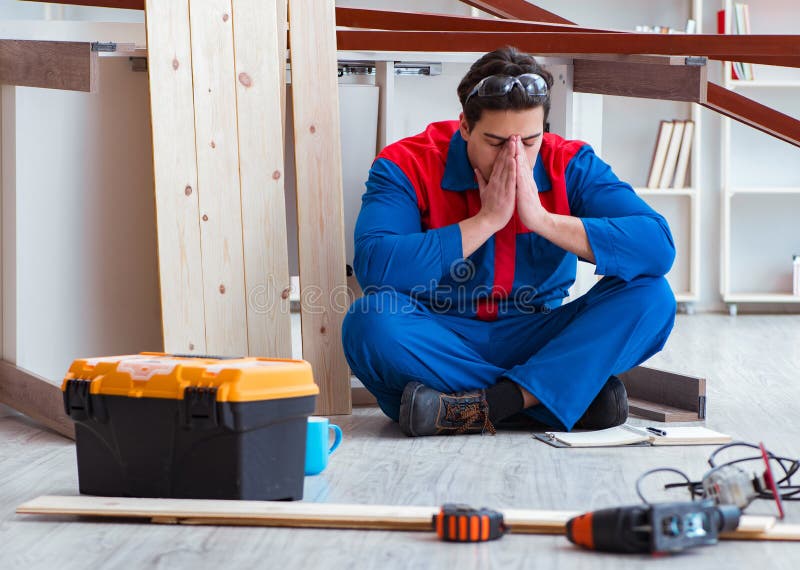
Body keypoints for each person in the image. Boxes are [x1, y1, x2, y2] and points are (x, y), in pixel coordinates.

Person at [342, 47, 676, 437]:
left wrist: (544, 221)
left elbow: (658, 246)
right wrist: (486, 221)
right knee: (369, 321)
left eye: (530, 141)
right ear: (465, 126)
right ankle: (552, 396)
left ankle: (473, 408)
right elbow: (376, 266)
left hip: (537, 335)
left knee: (653, 297)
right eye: (496, 142)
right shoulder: (406, 162)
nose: (514, 157)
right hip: (440, 335)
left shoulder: (570, 163)